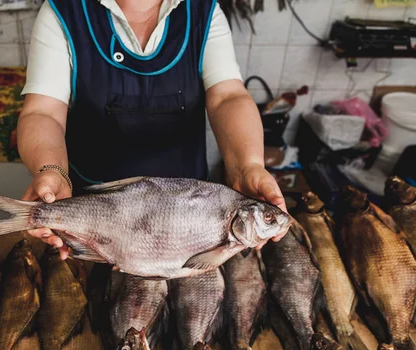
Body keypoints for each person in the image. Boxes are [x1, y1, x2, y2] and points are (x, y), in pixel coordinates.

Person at [17, 0, 288, 258]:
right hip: (94, 216)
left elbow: (228, 97)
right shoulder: (63, 12)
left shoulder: (204, 11)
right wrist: (50, 169)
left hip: (193, 221)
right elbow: (43, 112)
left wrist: (248, 166)